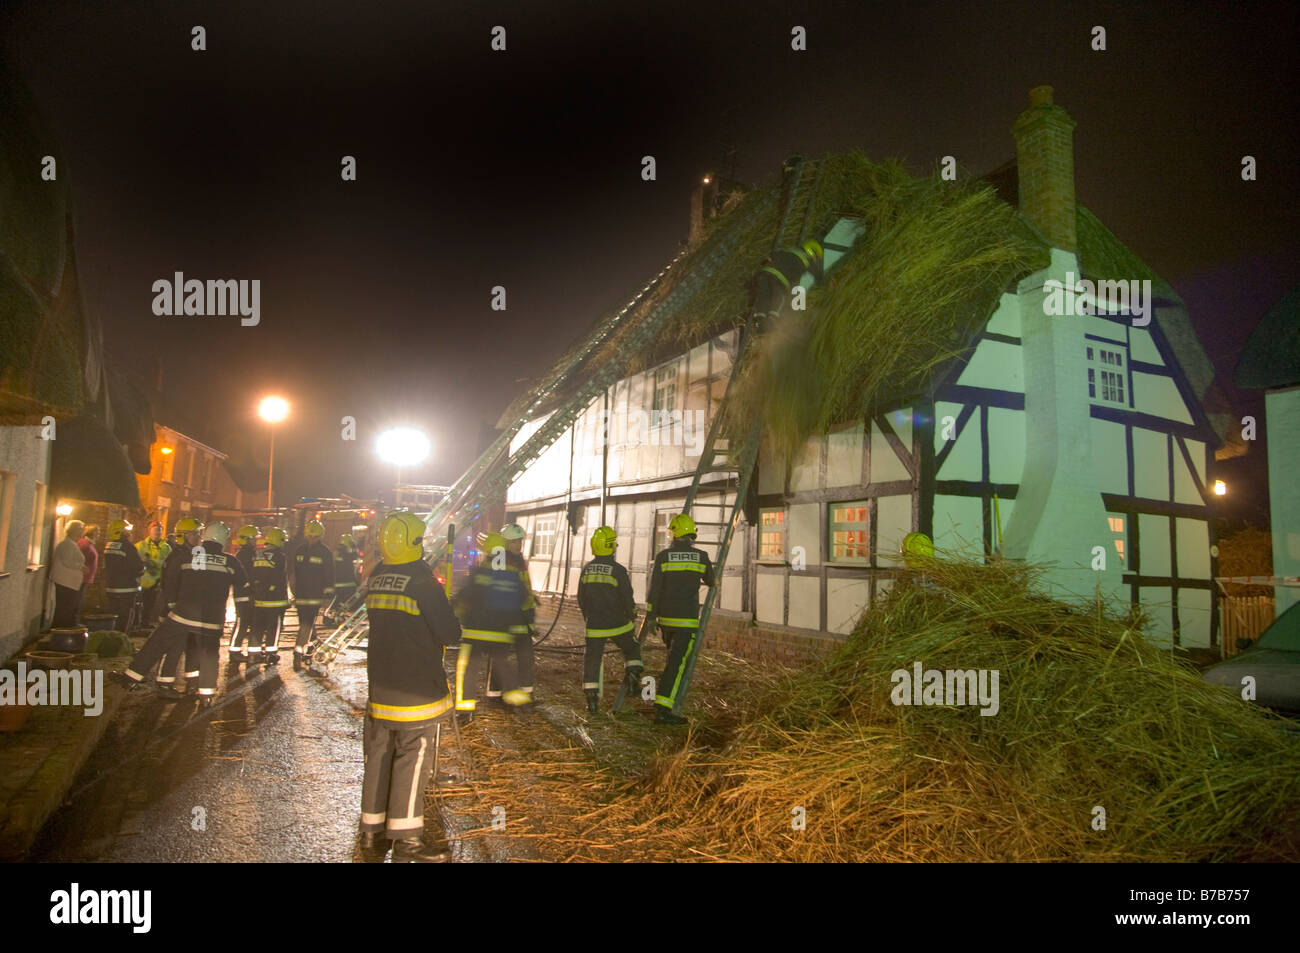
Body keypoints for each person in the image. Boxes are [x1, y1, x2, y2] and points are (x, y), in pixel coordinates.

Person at [360, 510, 461, 862]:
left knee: (379, 755)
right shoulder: (422, 582)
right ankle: (407, 843)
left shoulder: (377, 576)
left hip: (380, 689)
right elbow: (450, 633)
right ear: (415, 542)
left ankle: (372, 835)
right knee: (413, 760)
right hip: (416, 692)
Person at [119, 521, 250, 706]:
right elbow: (243, 585)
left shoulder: (187, 555)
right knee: (209, 654)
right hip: (211, 620)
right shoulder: (231, 561)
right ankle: (206, 694)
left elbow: (171, 580)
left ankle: (130, 676)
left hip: (183, 614)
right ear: (223, 540)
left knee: (157, 643)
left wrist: (172, 604)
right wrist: (244, 612)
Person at [452, 531, 532, 724]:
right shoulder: (512, 575)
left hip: (474, 633)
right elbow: (524, 599)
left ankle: (465, 710)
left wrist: (457, 620)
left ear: (486, 552)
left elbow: (463, 600)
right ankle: (518, 701)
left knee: (468, 670)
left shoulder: (478, 574)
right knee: (503, 666)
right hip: (500, 632)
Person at [645, 513, 715, 726]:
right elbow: (712, 581)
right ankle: (664, 709)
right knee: (677, 665)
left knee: (671, 662)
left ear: (673, 534)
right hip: (687, 623)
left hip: (666, 621)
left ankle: (662, 701)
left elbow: (654, 589)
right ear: (692, 535)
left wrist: (650, 616)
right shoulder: (702, 557)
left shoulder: (663, 557)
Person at [577, 526, 642, 715]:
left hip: (594, 626)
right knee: (632, 648)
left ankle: (592, 701)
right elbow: (626, 597)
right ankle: (632, 680)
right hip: (618, 624)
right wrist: (632, 613)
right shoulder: (618, 570)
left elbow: (581, 599)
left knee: (592, 661)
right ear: (611, 546)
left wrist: (588, 618)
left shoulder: (586, 570)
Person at [485, 522, 536, 706]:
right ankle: (494, 696)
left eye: (520, 541)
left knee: (526, 656)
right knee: (500, 655)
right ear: (505, 543)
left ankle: (526, 694)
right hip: (506, 617)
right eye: (514, 541)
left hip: (522, 616)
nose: (518, 545)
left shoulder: (519, 560)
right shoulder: (502, 563)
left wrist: (530, 610)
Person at [157, 517, 204, 689]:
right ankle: (164, 685)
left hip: (186, 611)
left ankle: (191, 681)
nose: (200, 537)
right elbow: (169, 584)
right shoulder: (177, 556)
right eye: (197, 534)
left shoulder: (190, 554)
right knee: (174, 649)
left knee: (192, 645)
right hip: (176, 611)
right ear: (186, 536)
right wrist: (172, 608)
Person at [290, 519, 335, 670]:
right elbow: (329, 575)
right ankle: (298, 651)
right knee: (307, 624)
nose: (311, 540)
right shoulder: (325, 552)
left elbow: (293, 573)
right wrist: (328, 596)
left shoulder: (300, 550)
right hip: (311, 595)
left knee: (307, 623)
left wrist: (294, 591)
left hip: (303, 595)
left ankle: (310, 648)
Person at [248, 527, 290, 664]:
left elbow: (252, 575)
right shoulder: (280, 556)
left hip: (259, 600)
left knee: (257, 627)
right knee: (274, 627)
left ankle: (253, 654)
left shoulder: (259, 554)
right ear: (278, 541)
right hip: (275, 600)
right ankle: (271, 654)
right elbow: (280, 577)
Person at [102, 520, 144, 632]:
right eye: (127, 531)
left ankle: (112, 637)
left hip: (111, 587)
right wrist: (143, 567)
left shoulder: (109, 545)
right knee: (125, 618)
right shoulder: (128, 547)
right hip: (127, 589)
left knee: (113, 616)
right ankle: (122, 639)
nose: (129, 534)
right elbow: (138, 567)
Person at [227, 525, 259, 662]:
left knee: (246, 622)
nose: (256, 541)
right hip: (243, 593)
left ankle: (239, 650)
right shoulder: (245, 554)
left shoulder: (249, 553)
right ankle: (234, 650)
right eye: (253, 539)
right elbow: (247, 575)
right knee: (242, 622)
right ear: (247, 539)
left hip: (248, 593)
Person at [50, 520, 87, 628]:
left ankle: (65, 628)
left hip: (69, 582)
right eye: (80, 530)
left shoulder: (70, 544)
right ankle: (61, 629)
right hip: (66, 582)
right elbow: (67, 561)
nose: (82, 533)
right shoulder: (67, 544)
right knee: (65, 607)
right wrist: (81, 567)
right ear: (74, 531)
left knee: (67, 607)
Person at [135, 521, 171, 627]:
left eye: (159, 531)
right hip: (142, 582)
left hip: (158, 582)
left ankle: (146, 623)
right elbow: (134, 563)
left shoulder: (166, 547)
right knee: (140, 605)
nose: (157, 533)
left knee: (151, 605)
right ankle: (138, 624)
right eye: (155, 531)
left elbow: (169, 563)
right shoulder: (140, 545)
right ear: (149, 531)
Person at [329, 532, 360, 618]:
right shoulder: (347, 554)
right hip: (348, 582)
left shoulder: (338, 552)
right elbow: (354, 558)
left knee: (339, 598)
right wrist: (353, 547)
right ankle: (335, 612)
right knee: (349, 598)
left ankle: (334, 612)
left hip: (339, 581)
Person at [76, 524, 100, 623]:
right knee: (77, 601)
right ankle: (74, 622)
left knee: (80, 600)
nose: (99, 535)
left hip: (85, 578)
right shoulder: (84, 544)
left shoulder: (89, 544)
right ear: (92, 533)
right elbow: (80, 559)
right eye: (97, 532)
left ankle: (76, 621)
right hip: (81, 578)